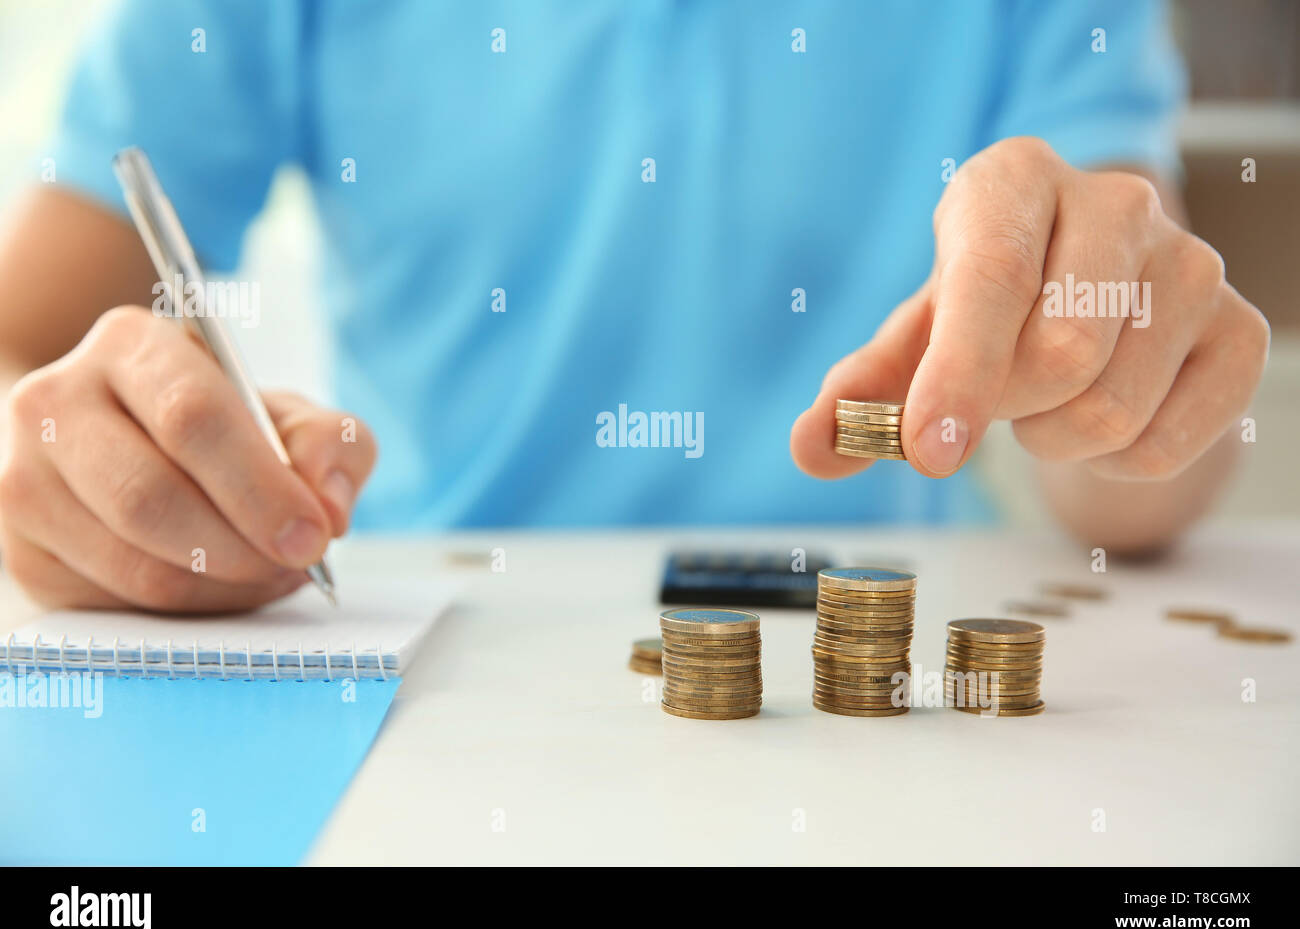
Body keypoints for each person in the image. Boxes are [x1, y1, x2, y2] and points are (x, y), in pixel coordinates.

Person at [0, 1, 1268, 612]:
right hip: (420, 639)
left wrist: (1143, 383)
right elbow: (23, 345)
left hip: (865, 636)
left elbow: (1136, 474)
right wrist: (78, 468)